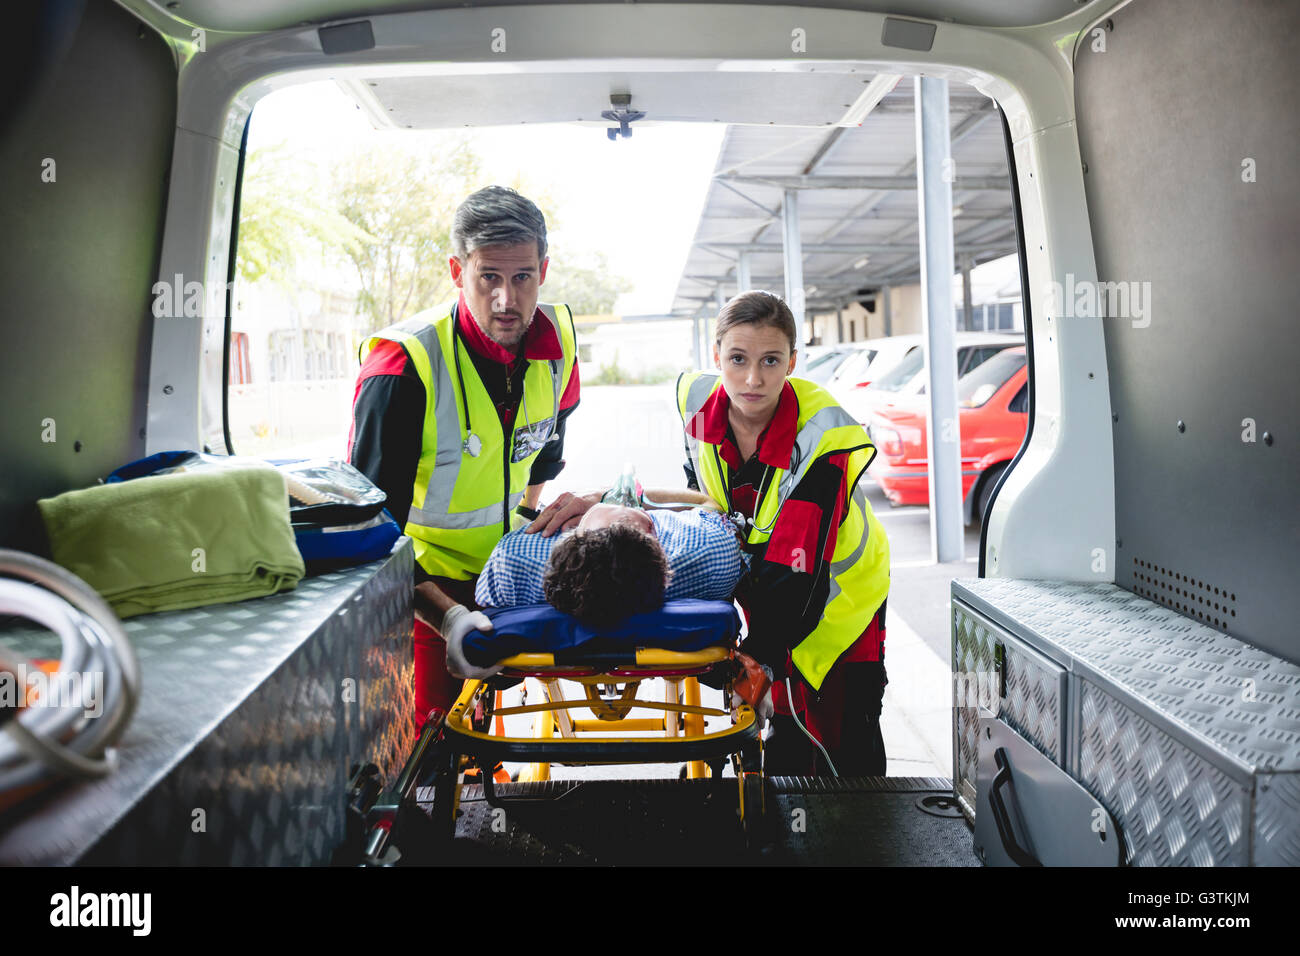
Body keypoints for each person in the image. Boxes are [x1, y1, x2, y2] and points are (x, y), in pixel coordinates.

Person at [530, 290, 891, 776]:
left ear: (793, 362)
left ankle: (859, 837)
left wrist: (755, 656)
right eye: (737, 359)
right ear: (716, 354)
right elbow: (701, 500)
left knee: (843, 745)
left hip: (838, 608)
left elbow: (798, 575)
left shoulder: (820, 440)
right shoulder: (698, 406)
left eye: (771, 361)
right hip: (773, 592)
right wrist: (603, 499)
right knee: (784, 739)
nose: (752, 378)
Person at [347, 185, 580, 726]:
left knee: (495, 724)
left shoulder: (560, 342)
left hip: (510, 572)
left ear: (543, 269)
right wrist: (448, 617)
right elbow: (372, 537)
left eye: (522, 277)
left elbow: (545, 449)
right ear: (457, 271)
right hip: (423, 590)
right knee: (433, 737)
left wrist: (528, 525)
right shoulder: (402, 367)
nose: (506, 300)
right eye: (488, 278)